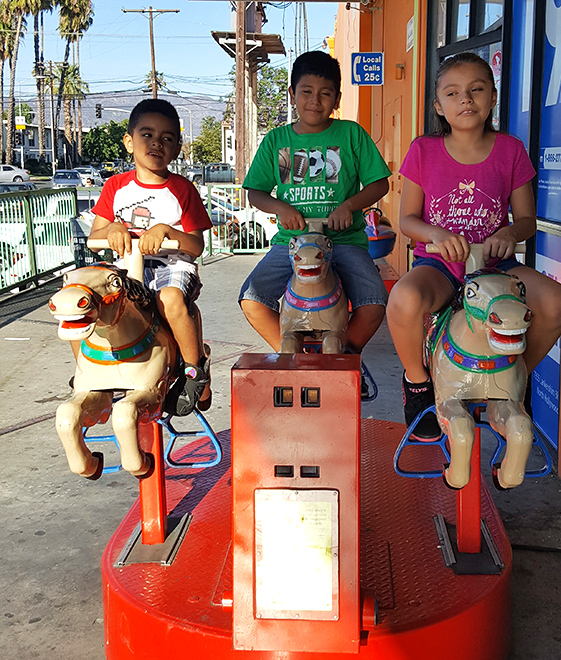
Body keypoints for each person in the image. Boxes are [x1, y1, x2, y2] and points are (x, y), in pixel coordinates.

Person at [387, 52, 561, 440]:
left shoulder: (510, 150)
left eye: (476, 90)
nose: (465, 99)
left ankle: (511, 384)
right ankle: (418, 384)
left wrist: (509, 234)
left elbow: (524, 220)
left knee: (555, 302)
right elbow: (407, 221)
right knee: (403, 299)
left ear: (492, 99)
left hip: (495, 267)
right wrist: (436, 235)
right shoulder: (423, 151)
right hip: (440, 267)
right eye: (453, 93)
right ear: (439, 105)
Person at [239, 50, 391, 393]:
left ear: (336, 98)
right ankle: (289, 355)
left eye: (325, 93)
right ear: (292, 94)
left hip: (345, 241)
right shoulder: (277, 140)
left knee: (374, 300)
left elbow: (380, 183)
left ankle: (346, 359)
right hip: (290, 244)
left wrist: (350, 206)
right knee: (252, 296)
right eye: (306, 91)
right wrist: (280, 207)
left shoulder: (351, 135)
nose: (314, 100)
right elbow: (256, 192)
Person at [89, 98, 213, 416]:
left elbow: (196, 245)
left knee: (169, 298)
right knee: (85, 299)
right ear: (129, 141)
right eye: (147, 135)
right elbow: (94, 239)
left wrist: (166, 232)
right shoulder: (115, 187)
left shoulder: (183, 190)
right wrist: (114, 229)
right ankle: (86, 370)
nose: (156, 143)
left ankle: (193, 370)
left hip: (172, 266)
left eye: (167, 138)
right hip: (127, 266)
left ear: (177, 148)